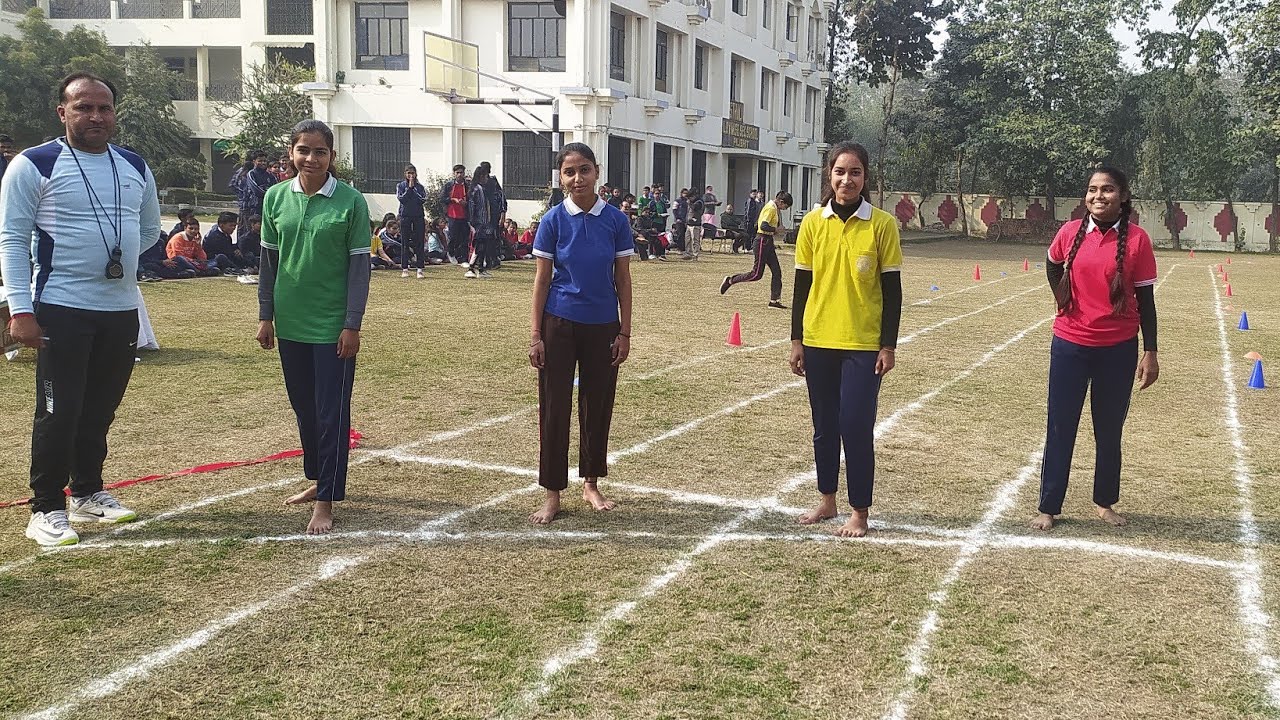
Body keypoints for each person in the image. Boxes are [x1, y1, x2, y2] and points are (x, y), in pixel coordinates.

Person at [0, 72, 162, 546]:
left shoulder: (133, 164)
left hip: (119, 308)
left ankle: (87, 493)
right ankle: (45, 506)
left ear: (114, 113)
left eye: (104, 108)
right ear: (62, 112)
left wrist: (116, 260)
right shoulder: (34, 164)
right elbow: (11, 240)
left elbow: (148, 229)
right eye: (83, 107)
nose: (95, 116)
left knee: (99, 409)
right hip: (60, 308)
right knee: (59, 410)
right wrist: (20, 309)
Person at [257, 119, 371, 535]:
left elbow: (359, 269)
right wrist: (265, 315)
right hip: (289, 323)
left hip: (331, 326)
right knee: (304, 408)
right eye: (303, 150)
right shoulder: (274, 198)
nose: (311, 158)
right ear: (291, 153)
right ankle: (316, 478)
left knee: (331, 412)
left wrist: (351, 324)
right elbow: (268, 263)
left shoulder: (351, 202)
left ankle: (326, 499)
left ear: (332, 157)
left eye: (320, 151)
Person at [1032, 167, 1158, 532]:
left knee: (1108, 429)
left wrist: (1150, 351)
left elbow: (1147, 301)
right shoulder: (1070, 232)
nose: (1098, 196)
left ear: (1122, 196)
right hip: (1070, 345)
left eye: (1107, 190)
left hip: (1118, 349)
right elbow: (1053, 265)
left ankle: (1104, 502)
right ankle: (1049, 506)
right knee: (1060, 426)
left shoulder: (1137, 240)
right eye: (1092, 190)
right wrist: (1063, 298)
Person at [789, 142, 902, 538]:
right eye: (840, 171)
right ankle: (826, 499)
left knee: (855, 425)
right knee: (824, 426)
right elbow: (802, 287)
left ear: (865, 178)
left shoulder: (882, 225)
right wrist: (797, 340)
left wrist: (887, 345)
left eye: (855, 172)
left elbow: (892, 293)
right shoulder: (812, 223)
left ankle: (859, 511)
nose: (846, 179)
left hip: (863, 345)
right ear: (829, 175)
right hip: (819, 340)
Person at [528, 142, 634, 525]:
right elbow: (541, 281)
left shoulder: (616, 221)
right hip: (559, 323)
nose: (578, 178)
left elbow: (622, 278)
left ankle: (591, 482)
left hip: (603, 325)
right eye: (569, 172)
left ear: (597, 172)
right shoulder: (553, 221)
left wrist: (625, 332)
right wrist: (535, 334)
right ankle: (552, 493)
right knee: (554, 407)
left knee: (597, 403)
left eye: (584, 170)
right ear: (560, 177)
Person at [720, 190, 792, 308]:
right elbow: (762, 225)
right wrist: (776, 230)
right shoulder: (770, 208)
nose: (784, 209)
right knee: (756, 274)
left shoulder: (773, 207)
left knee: (776, 271)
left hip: (768, 241)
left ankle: (774, 301)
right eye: (785, 206)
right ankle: (730, 280)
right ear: (781, 202)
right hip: (762, 241)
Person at [465, 164, 499, 279]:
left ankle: (479, 268)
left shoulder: (484, 190)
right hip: (479, 223)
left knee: (483, 246)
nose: (486, 179)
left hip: (485, 223)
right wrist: (473, 222)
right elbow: (471, 207)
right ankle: (472, 268)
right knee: (479, 246)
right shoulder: (476, 190)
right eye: (484, 176)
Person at [397, 164, 427, 279]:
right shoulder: (400, 186)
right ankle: (405, 268)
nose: (411, 175)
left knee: (419, 242)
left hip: (418, 216)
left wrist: (413, 188)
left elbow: (422, 199)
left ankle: (420, 268)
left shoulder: (420, 187)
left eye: (412, 173)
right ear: (405, 174)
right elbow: (402, 199)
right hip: (405, 216)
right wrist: (409, 188)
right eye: (408, 173)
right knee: (405, 242)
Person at [443, 163, 470, 264]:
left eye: (461, 172)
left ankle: (464, 259)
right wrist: (453, 200)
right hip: (452, 214)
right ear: (454, 174)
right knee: (453, 236)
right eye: (457, 173)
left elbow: (472, 199)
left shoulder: (467, 186)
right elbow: (442, 198)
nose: (459, 175)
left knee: (464, 237)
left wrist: (466, 203)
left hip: (464, 215)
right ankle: (451, 253)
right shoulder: (449, 185)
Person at [682, 190, 705, 260]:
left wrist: (689, 204)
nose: (688, 199)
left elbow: (694, 208)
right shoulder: (692, 202)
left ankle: (695, 255)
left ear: (693, 196)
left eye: (689, 198)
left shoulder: (699, 202)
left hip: (695, 224)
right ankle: (688, 253)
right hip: (689, 224)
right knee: (687, 240)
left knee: (695, 240)